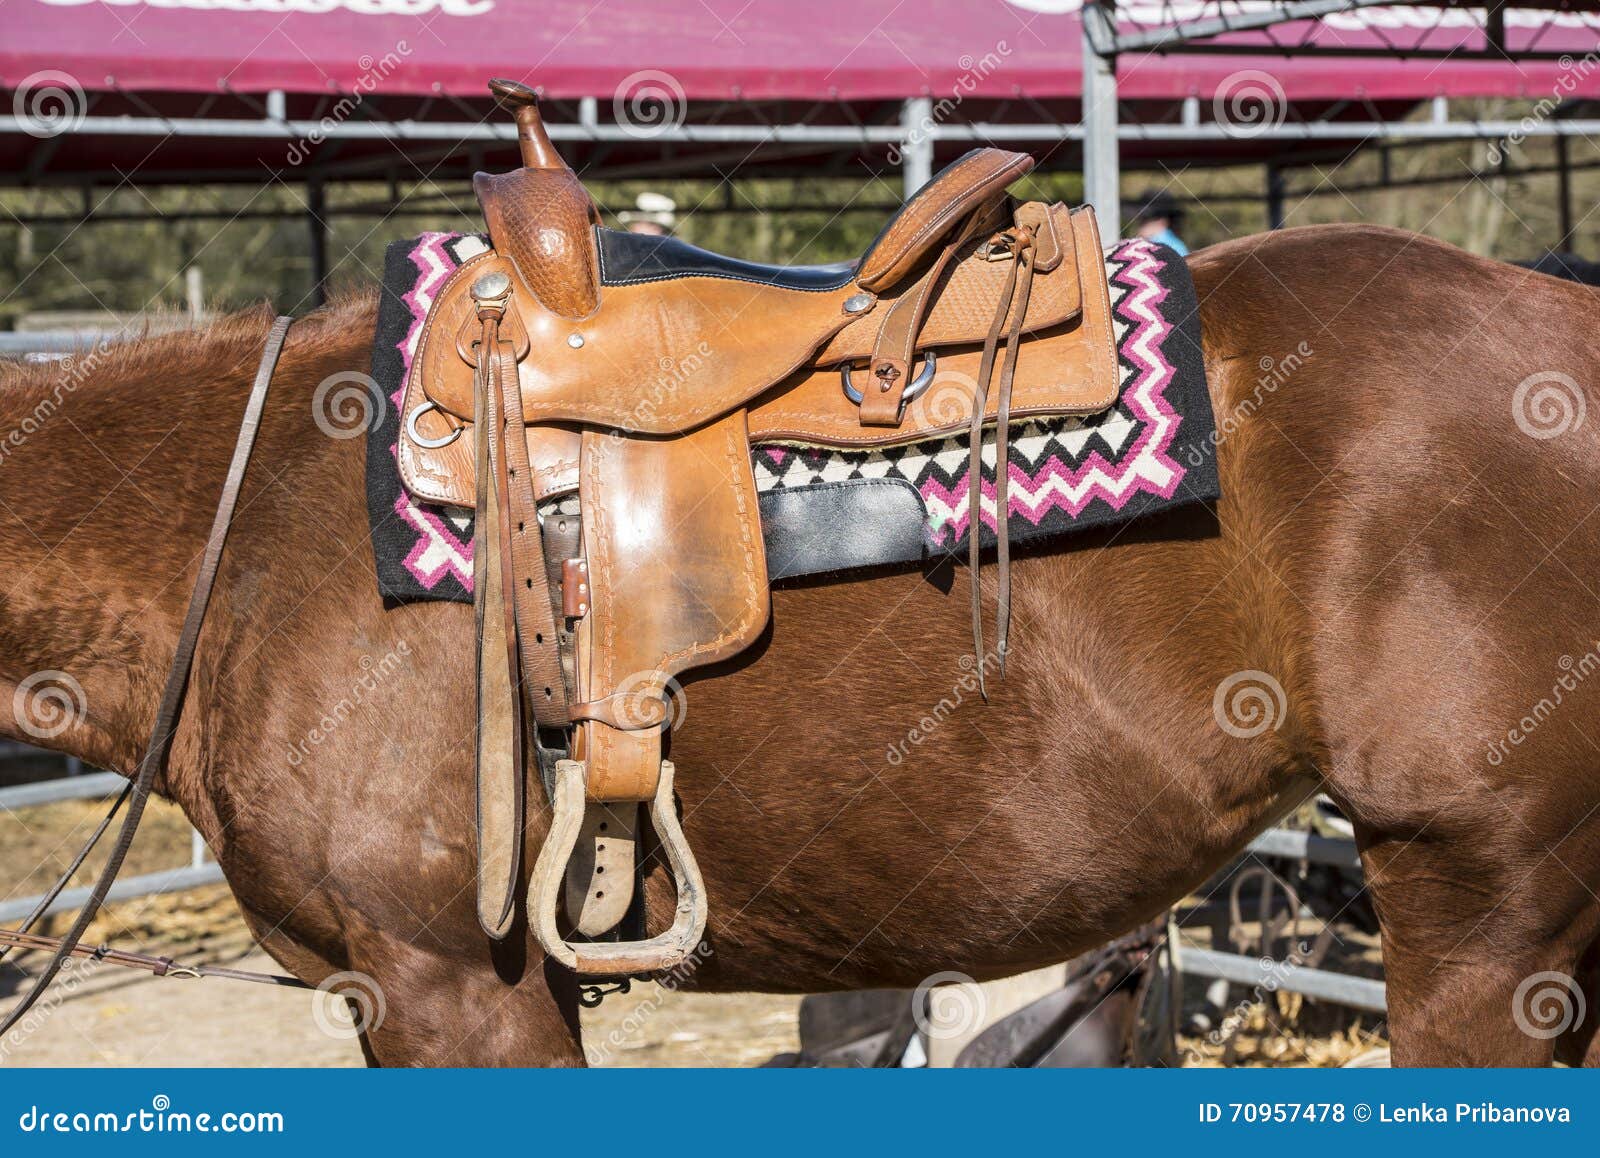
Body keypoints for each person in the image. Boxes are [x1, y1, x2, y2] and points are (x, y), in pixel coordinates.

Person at [1127, 189, 1189, 256]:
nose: (1140, 223)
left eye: (1145, 219)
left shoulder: (1171, 248)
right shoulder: (1176, 246)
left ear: (1161, 220)